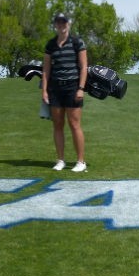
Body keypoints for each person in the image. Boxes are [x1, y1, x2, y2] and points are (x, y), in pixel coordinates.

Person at [42, 12, 88, 172]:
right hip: (55, 89)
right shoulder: (50, 45)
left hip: (73, 88)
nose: (61, 25)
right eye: (58, 22)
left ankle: (80, 162)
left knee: (74, 124)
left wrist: (81, 88)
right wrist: (45, 91)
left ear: (69, 23)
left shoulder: (77, 42)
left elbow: (84, 67)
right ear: (55, 24)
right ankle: (60, 160)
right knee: (58, 125)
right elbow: (46, 70)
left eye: (64, 22)